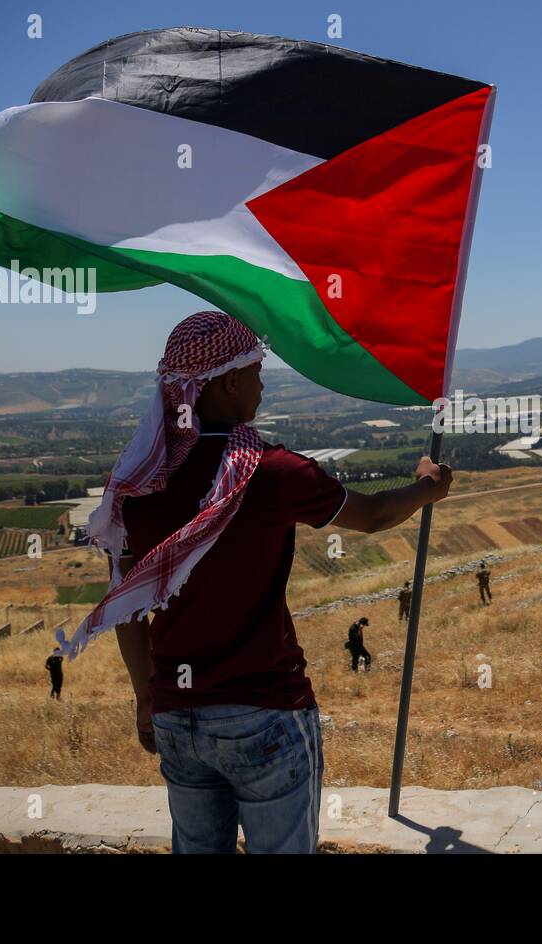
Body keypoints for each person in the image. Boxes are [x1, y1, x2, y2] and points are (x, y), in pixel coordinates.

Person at [65, 311, 452, 855]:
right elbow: (372, 517)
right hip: (264, 709)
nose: (263, 385)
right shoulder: (270, 472)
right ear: (227, 382)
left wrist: (145, 698)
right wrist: (427, 488)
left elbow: (129, 607)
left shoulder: (140, 480)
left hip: (177, 714)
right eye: (255, 371)